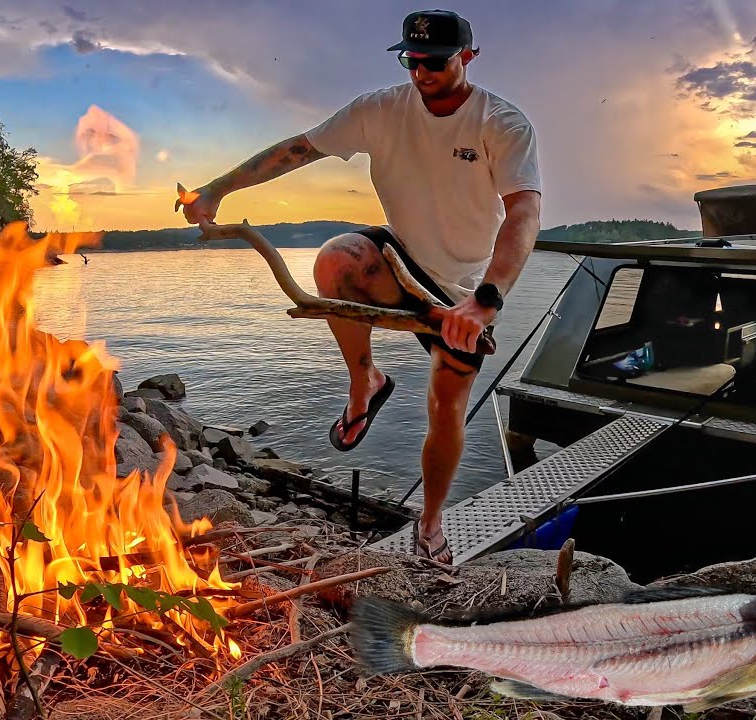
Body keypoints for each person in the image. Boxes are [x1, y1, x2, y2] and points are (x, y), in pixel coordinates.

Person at [179, 9, 542, 564]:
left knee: (446, 405)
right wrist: (216, 189)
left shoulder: (503, 124)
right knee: (336, 262)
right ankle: (365, 381)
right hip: (399, 256)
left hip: (464, 285)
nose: (420, 72)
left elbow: (523, 216)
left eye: (435, 62)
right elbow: (298, 149)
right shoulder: (380, 109)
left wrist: (485, 300)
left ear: (467, 57)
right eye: (410, 59)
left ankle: (431, 523)